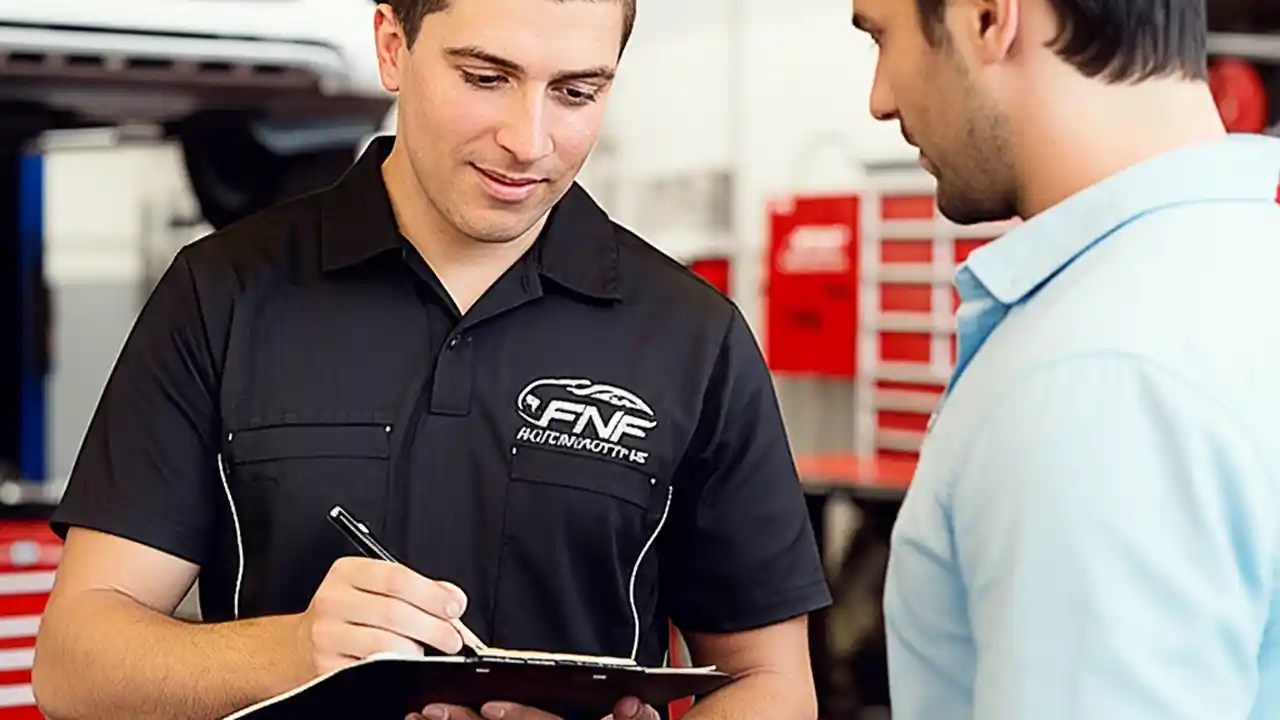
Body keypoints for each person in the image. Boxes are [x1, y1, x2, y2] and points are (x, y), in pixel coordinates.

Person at [30, 1, 833, 718]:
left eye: (577, 92)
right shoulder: (224, 295)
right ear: (392, 44)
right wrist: (289, 654)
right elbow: (74, 666)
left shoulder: (694, 337)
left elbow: (772, 681)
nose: (529, 141)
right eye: (486, 77)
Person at [851, 0, 1280, 718]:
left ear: (989, 16)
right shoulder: (1246, 269)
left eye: (882, 38)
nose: (879, 98)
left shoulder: (1097, 380)